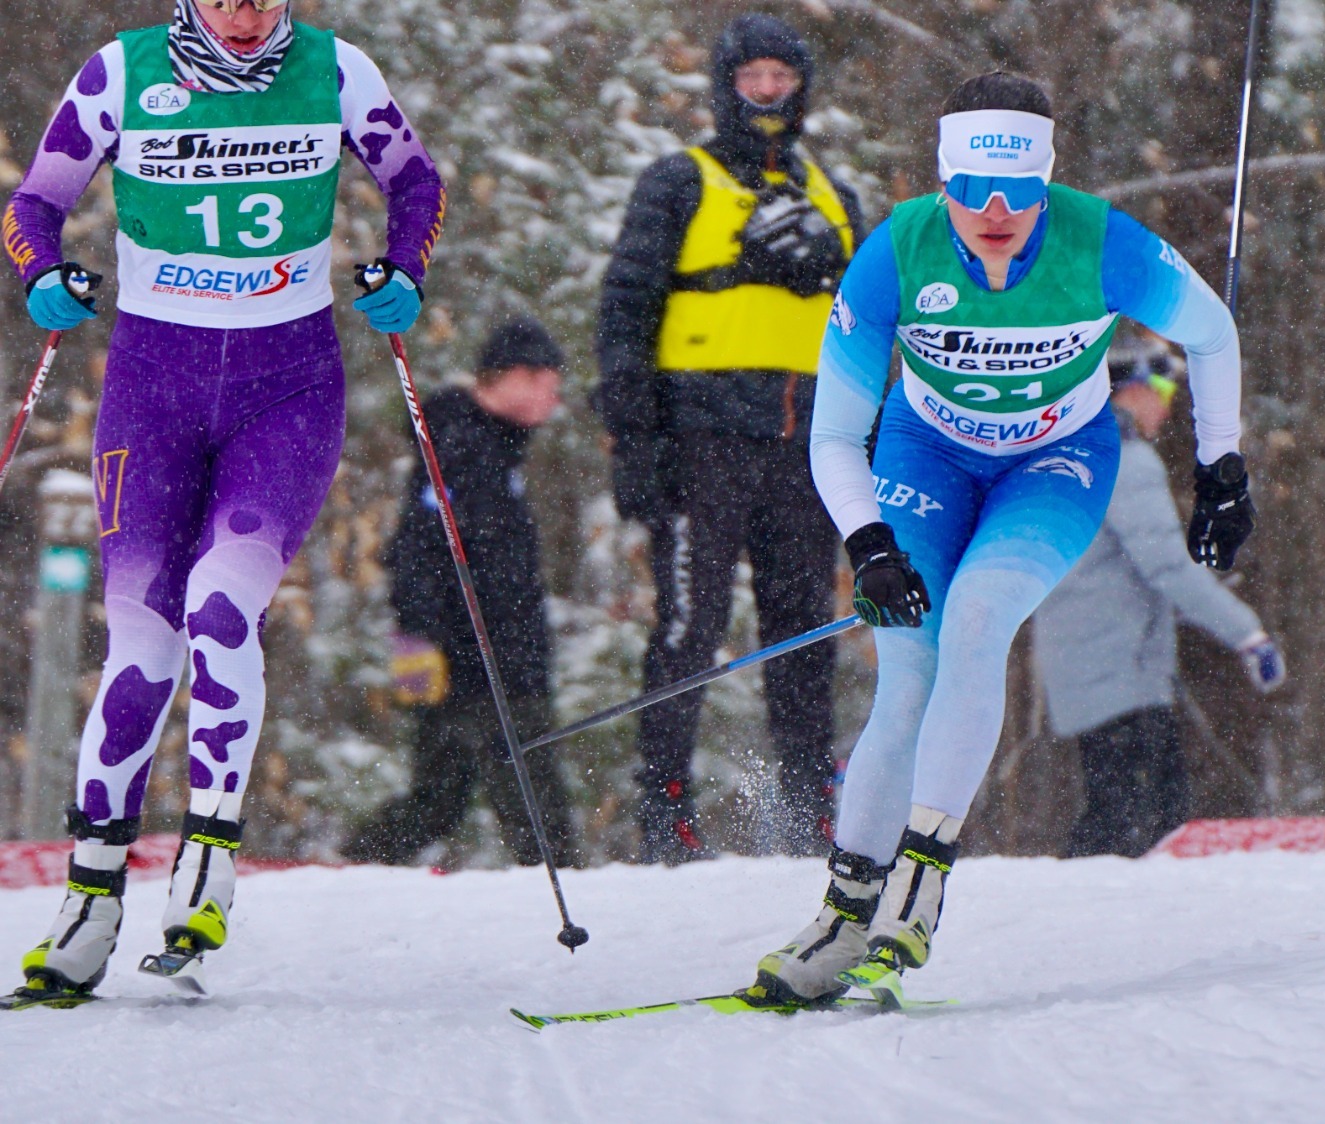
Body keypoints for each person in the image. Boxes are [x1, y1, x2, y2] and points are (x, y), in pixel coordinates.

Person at [741, 71, 1254, 1010]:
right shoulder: (897, 252)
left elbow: (1212, 333)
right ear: (944, 182)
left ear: (1045, 182)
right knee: (909, 670)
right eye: (974, 189)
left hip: (1053, 466)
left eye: (1020, 192)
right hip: (922, 456)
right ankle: (843, 909)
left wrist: (1222, 470)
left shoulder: (1098, 242)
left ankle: (921, 876)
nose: (997, 211)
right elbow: (831, 437)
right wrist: (870, 545)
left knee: (979, 618)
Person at [4, 0, 444, 1006]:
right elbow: (36, 201)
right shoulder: (122, 73)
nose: (247, 14)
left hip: (285, 389)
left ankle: (206, 857)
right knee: (141, 647)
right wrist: (41, 276)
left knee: (219, 605)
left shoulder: (336, 72)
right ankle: (90, 898)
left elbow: (413, 176)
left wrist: (403, 270)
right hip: (150, 391)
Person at [595, 15, 863, 863]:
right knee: (690, 627)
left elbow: (870, 324)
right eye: (754, 78)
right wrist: (633, 442)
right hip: (699, 439)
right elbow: (625, 311)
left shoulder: (836, 195)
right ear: (726, 86)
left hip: (806, 441)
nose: (770, 92)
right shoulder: (680, 181)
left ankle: (809, 809)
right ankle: (666, 816)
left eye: (784, 77)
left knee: (802, 629)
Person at [342, 320, 579, 871]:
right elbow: (419, 549)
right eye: (548, 381)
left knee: (440, 798)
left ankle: (354, 868)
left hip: (493, 649)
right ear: (515, 377)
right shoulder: (462, 444)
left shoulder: (491, 444)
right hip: (477, 655)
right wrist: (418, 637)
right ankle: (565, 888)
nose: (555, 396)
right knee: (531, 791)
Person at [1033, 351, 1286, 858]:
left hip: (1088, 665)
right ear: (1130, 390)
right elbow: (1167, 566)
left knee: (1131, 816)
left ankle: (1085, 908)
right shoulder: (1127, 462)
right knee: (1145, 821)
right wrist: (1247, 634)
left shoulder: (1075, 454)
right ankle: (1071, 912)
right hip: (1117, 670)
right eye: (1165, 393)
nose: (1168, 409)